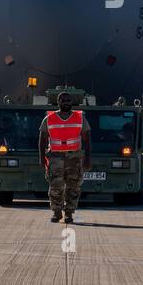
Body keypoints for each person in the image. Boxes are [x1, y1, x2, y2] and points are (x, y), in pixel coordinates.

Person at [39, 92, 92, 224]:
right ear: (58, 102)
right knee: (55, 186)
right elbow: (42, 139)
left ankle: (69, 213)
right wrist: (41, 158)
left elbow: (87, 140)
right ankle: (57, 213)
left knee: (73, 187)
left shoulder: (80, 118)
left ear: (71, 102)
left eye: (68, 100)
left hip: (74, 157)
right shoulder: (49, 118)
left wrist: (88, 159)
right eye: (63, 100)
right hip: (55, 158)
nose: (66, 102)